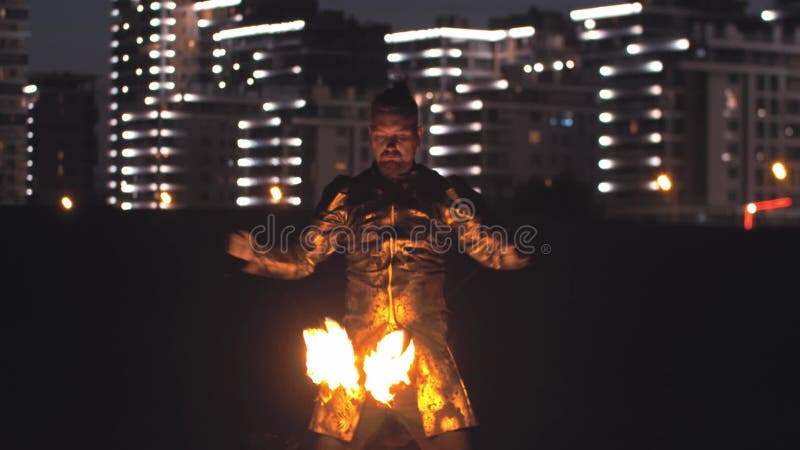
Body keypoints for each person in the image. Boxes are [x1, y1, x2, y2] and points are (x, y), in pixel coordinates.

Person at [227, 81, 530, 449]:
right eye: (382, 137)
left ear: (418, 136)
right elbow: (303, 258)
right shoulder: (347, 196)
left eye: (400, 136)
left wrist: (516, 252)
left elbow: (487, 248)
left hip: (426, 356)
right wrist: (257, 256)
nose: (390, 147)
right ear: (370, 137)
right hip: (357, 356)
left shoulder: (442, 194)